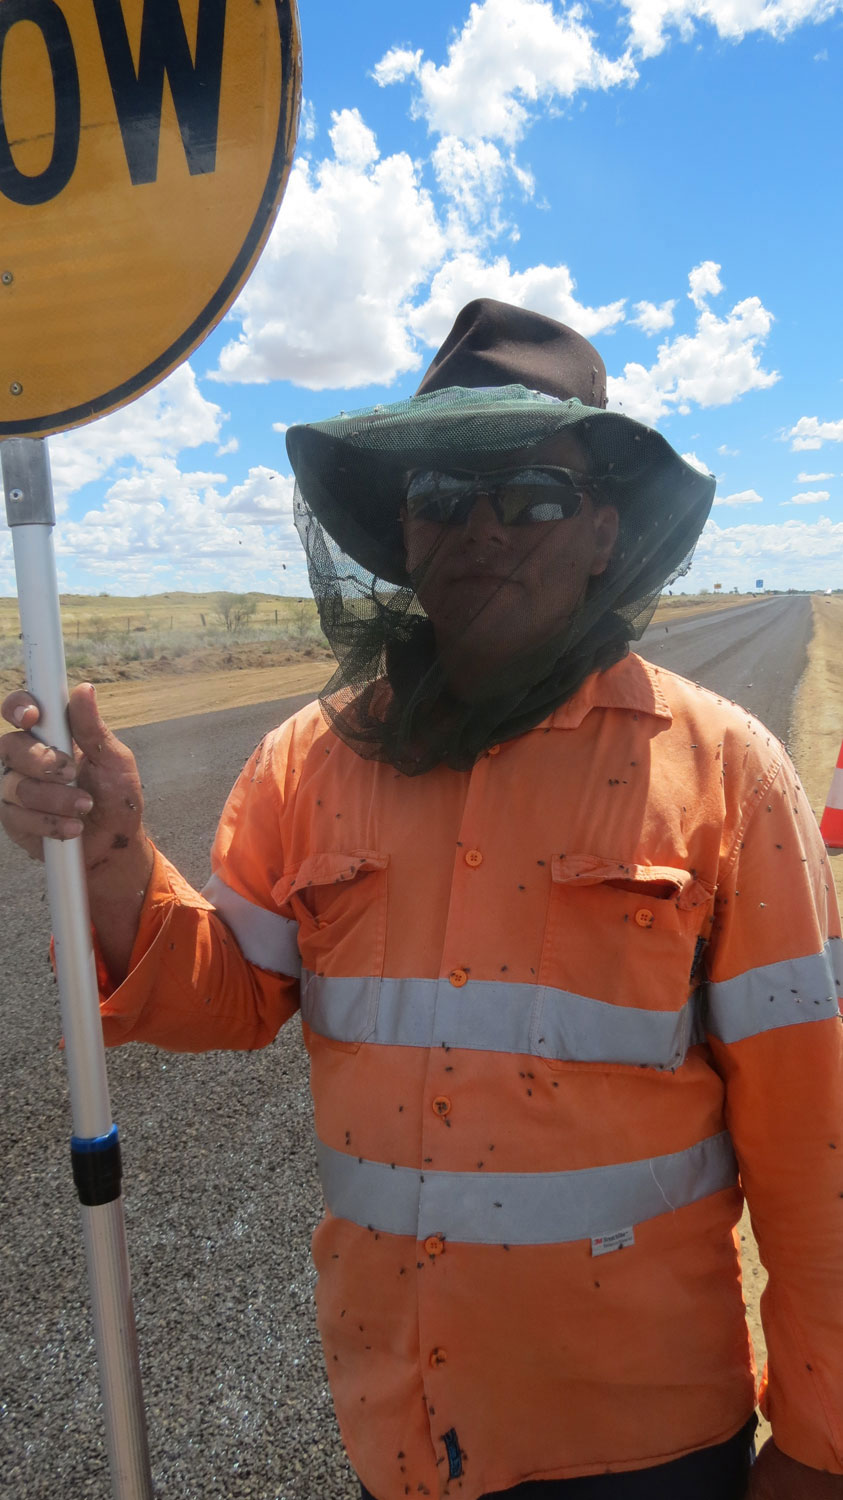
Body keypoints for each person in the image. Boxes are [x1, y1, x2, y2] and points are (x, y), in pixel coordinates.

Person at [2, 300, 842, 1500]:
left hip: (643, 1447)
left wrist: (820, 1445)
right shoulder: (311, 761)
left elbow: (817, 1150)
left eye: (536, 498)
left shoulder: (725, 774)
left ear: (604, 529)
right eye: (446, 495)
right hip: (396, 1432)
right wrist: (111, 855)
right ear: (404, 529)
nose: (485, 528)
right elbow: (231, 999)